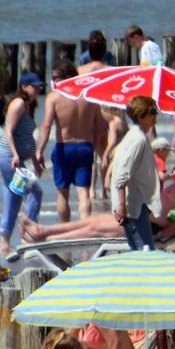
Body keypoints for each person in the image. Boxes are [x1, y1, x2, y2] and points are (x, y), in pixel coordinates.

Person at [37, 62, 104, 226]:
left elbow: (46, 126)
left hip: (64, 148)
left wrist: (39, 151)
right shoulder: (89, 97)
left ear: (66, 78)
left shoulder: (54, 97)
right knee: (84, 193)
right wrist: (93, 147)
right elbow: (100, 128)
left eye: (55, 78)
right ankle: (86, 228)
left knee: (62, 193)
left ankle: (65, 229)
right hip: (85, 147)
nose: (53, 82)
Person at [0, 73, 45, 253]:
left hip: (14, 158)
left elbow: (26, 136)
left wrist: (35, 160)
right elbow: (9, 131)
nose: (39, 89)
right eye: (35, 86)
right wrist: (16, 155)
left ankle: (4, 242)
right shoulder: (18, 104)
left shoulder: (29, 105)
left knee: (13, 195)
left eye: (40, 86)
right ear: (24, 86)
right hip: (7, 157)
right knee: (35, 191)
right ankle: (29, 236)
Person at [111, 97, 161, 251]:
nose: (155, 116)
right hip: (132, 206)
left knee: (139, 250)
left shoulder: (134, 135)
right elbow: (122, 175)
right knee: (145, 251)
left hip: (135, 203)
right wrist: (121, 206)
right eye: (152, 112)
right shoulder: (138, 139)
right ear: (141, 116)